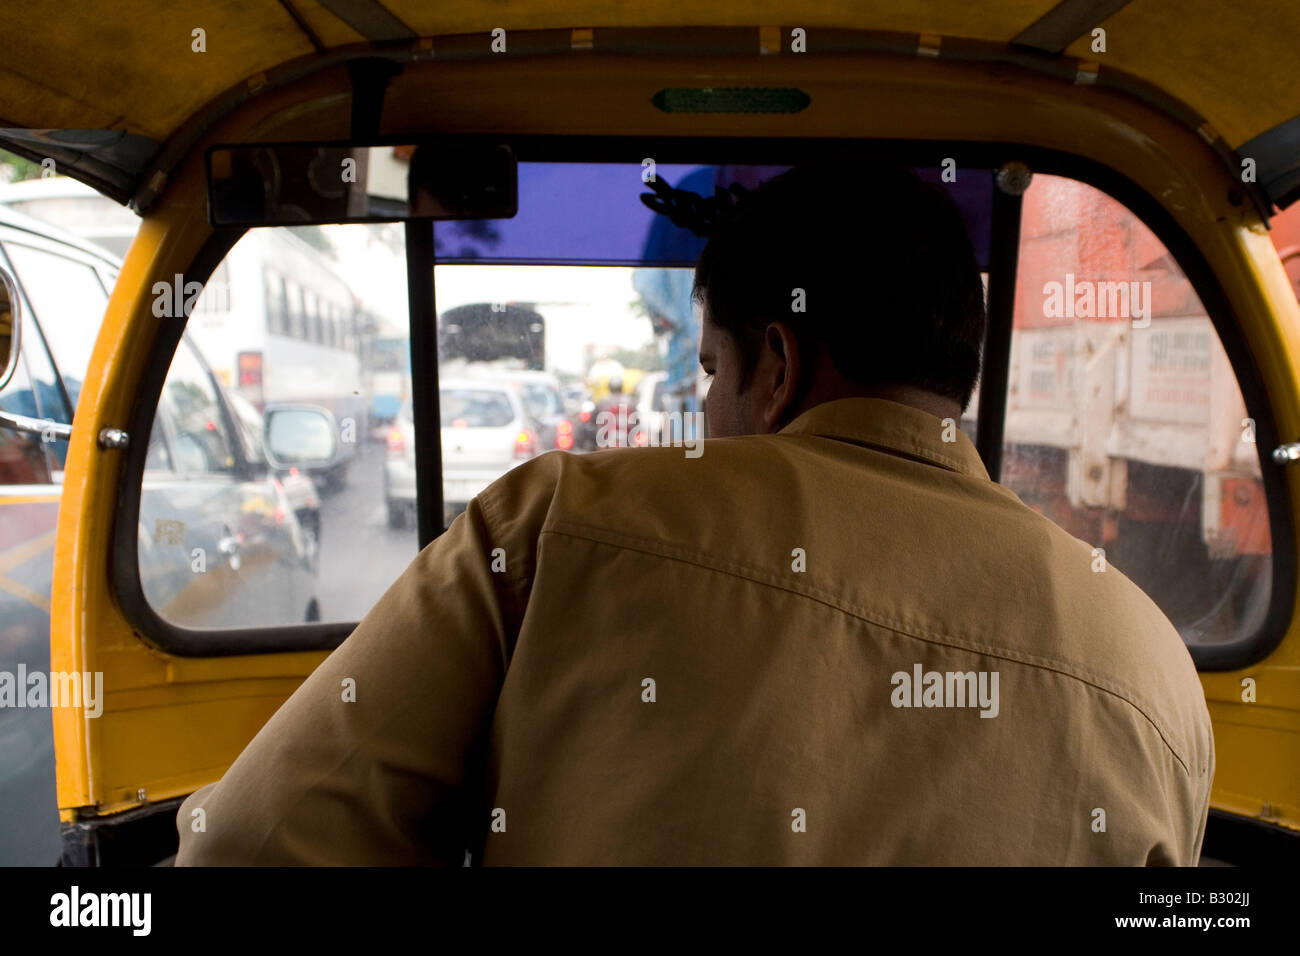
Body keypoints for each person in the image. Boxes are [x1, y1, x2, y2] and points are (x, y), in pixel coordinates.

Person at [175, 161, 1212, 865]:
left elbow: (249, 846)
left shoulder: (556, 521)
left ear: (776, 364)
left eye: (708, 367)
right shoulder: (1154, 670)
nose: (704, 403)